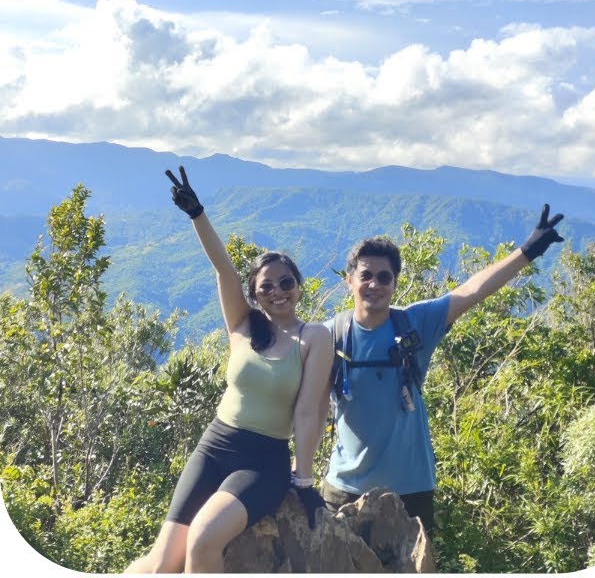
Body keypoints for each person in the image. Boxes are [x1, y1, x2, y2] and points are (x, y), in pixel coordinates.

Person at [126, 167, 332, 573]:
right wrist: (197, 214)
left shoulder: (314, 337)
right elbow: (224, 270)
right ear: (254, 294)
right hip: (215, 446)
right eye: (266, 286)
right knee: (161, 562)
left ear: (298, 284)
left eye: (285, 282)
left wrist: (304, 480)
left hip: (263, 461)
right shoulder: (242, 324)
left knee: (203, 539)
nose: (278, 292)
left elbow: (309, 411)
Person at [316, 205, 565, 534]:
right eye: (365, 275)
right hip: (343, 489)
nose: (374, 284)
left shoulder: (415, 322)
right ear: (350, 281)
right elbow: (306, 408)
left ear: (394, 283)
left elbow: (472, 291)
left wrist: (528, 251)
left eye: (384, 277)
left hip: (410, 489)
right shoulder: (328, 335)